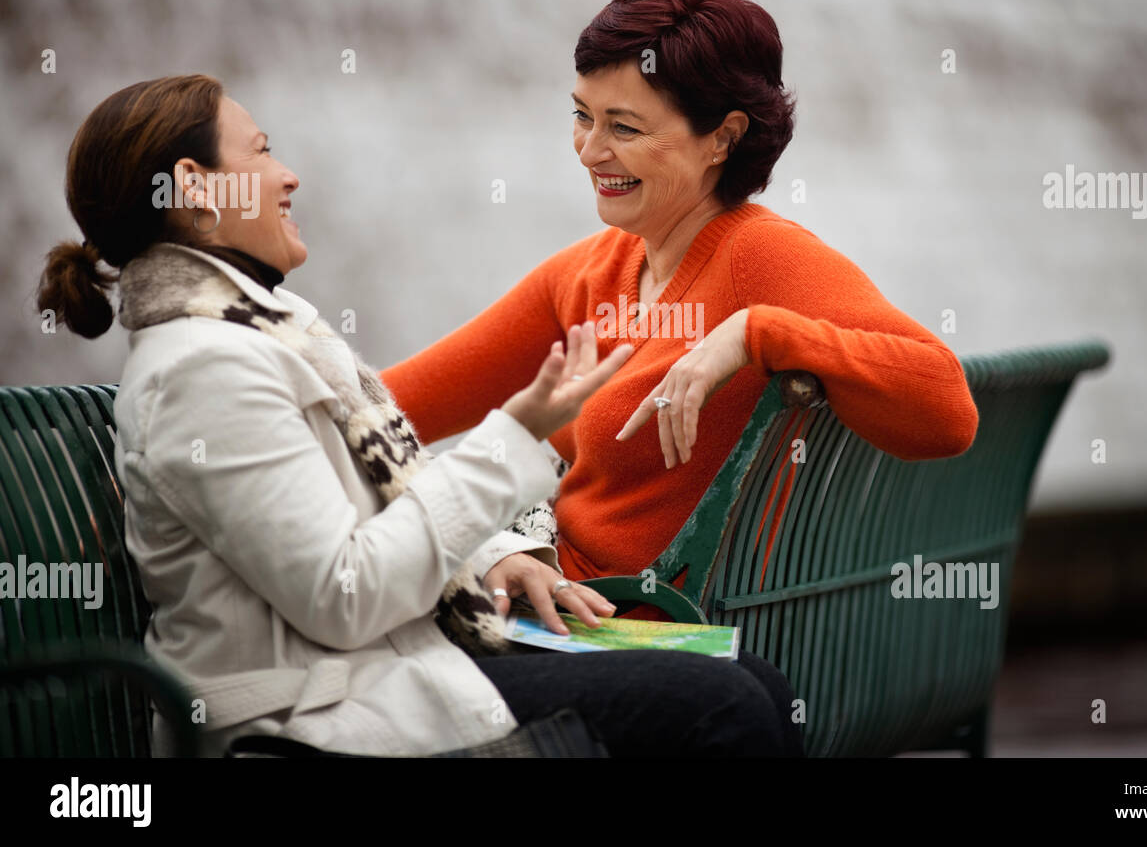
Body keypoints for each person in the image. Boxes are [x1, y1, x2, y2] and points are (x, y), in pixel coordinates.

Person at [35, 74, 803, 757]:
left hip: (389, 665)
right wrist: (519, 432)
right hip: (310, 718)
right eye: (262, 153)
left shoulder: (258, 331)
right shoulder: (206, 370)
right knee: (724, 707)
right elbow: (344, 596)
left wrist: (496, 554)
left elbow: (371, 497)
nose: (288, 175)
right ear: (198, 188)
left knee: (747, 675)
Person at [380, 0, 981, 605]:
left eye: (625, 128)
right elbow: (393, 409)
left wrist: (755, 333)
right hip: (546, 598)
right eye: (582, 117)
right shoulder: (591, 271)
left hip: (627, 631)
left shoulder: (761, 257)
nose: (589, 152)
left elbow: (947, 412)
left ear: (722, 139)